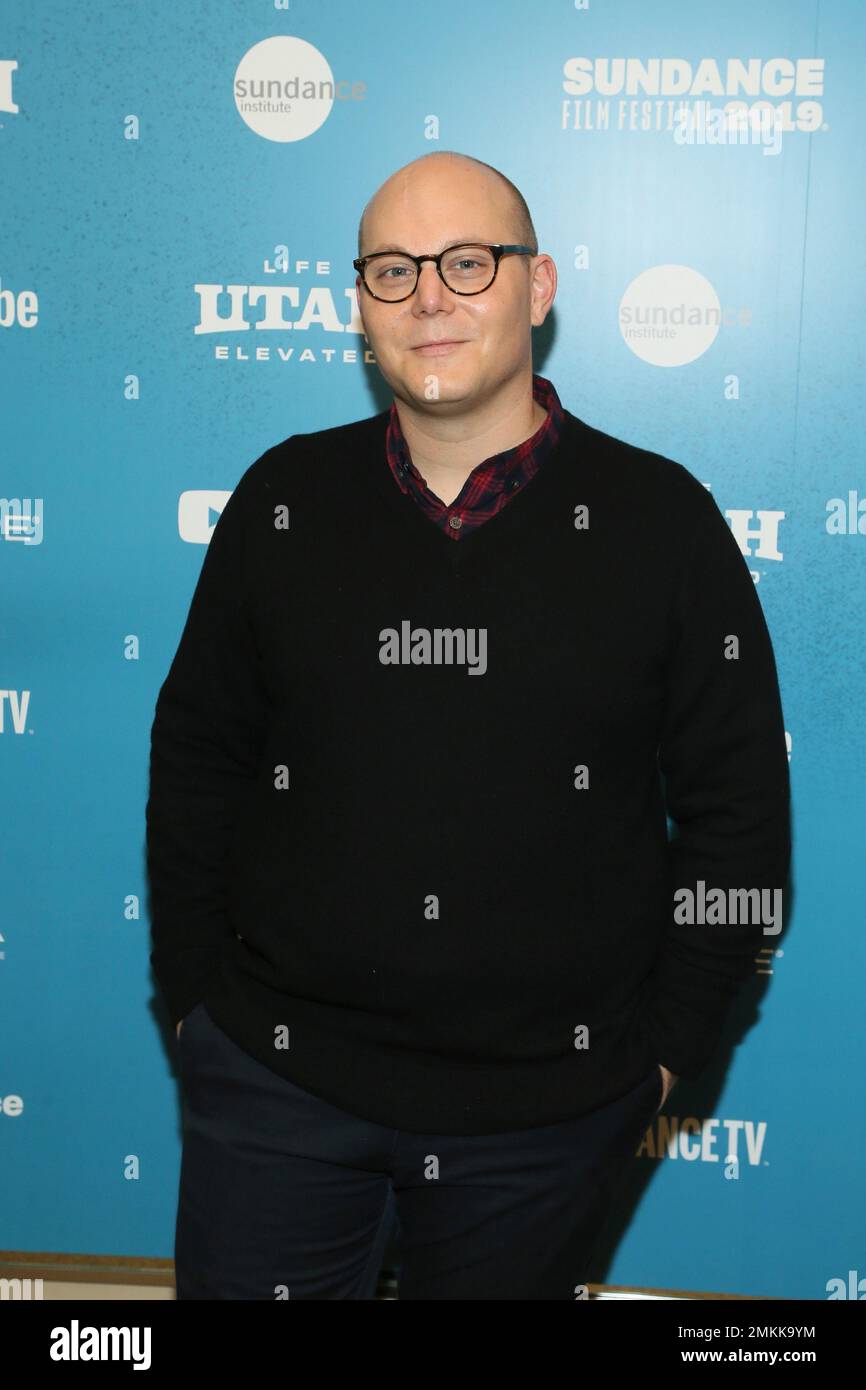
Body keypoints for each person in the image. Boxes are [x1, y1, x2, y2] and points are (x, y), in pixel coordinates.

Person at [146, 150, 791, 1299]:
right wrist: (200, 1004)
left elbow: (737, 818)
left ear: (536, 288)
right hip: (277, 1087)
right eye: (391, 270)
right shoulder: (281, 504)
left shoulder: (661, 523)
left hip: (547, 1117)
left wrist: (660, 1059)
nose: (428, 296)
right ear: (359, 306)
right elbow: (200, 760)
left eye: (465, 262)